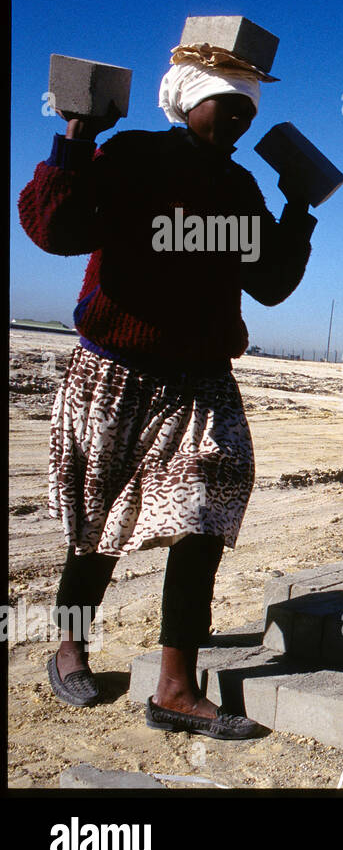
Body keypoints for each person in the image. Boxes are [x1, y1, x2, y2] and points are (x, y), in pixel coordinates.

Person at [18, 41, 317, 740]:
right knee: (95, 523)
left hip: (202, 381)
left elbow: (269, 283)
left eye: (250, 107)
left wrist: (298, 208)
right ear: (187, 97)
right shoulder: (132, 159)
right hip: (117, 370)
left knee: (205, 516)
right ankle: (70, 646)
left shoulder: (239, 190)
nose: (240, 117)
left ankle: (175, 689)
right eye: (228, 102)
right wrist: (76, 139)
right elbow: (54, 228)